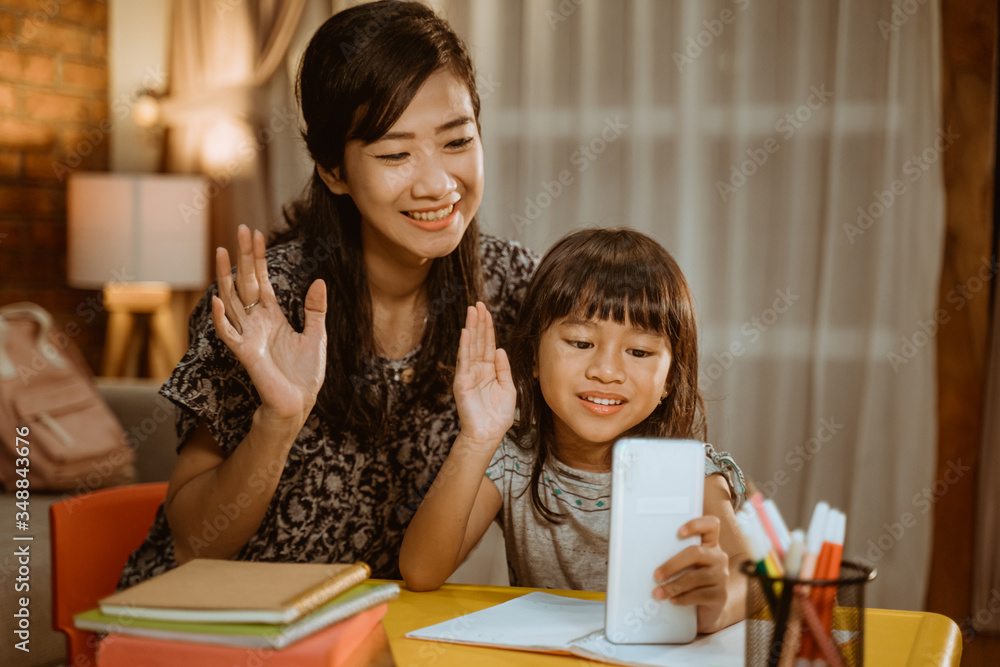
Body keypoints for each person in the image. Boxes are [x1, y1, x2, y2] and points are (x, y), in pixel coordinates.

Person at [119, 0, 537, 587]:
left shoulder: (513, 289)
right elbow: (193, 544)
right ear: (334, 171)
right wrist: (278, 420)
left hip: (377, 626)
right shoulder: (266, 302)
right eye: (395, 153)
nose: (439, 183)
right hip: (218, 622)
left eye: (457, 140)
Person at [399, 228, 749, 633]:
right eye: (581, 342)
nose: (606, 371)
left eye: (638, 352)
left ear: (670, 378)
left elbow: (753, 577)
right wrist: (476, 438)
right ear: (532, 355)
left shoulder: (689, 473)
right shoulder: (513, 460)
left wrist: (715, 607)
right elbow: (421, 572)